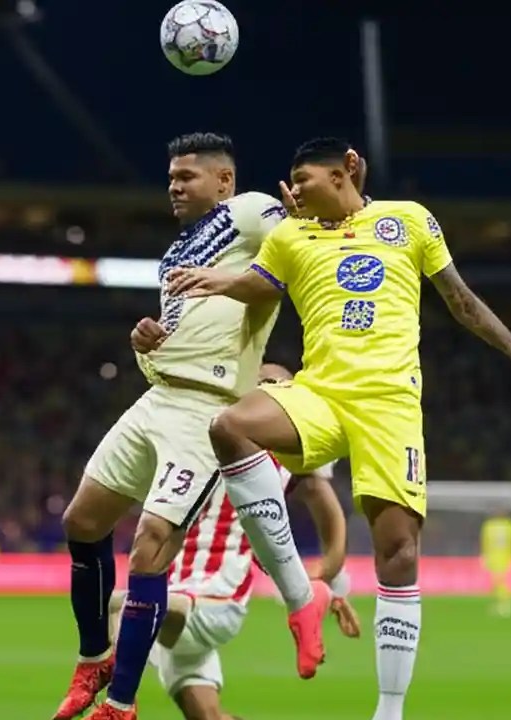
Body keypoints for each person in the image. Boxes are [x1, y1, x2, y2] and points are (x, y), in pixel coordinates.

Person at [165, 136, 511, 720]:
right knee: (231, 426)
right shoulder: (290, 236)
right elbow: (257, 284)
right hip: (319, 393)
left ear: (345, 171)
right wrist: (215, 279)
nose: (295, 190)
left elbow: (459, 300)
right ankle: (299, 594)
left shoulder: (409, 221)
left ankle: (389, 709)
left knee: (398, 552)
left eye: (304, 179)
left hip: (389, 405)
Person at [54, 133, 366, 720]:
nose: (174, 187)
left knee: (149, 546)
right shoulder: (178, 251)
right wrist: (148, 342)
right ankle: (94, 657)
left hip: (207, 409)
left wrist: (309, 220)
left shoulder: (250, 211)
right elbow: (184, 332)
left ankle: (120, 704)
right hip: (159, 395)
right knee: (82, 521)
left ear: (223, 181)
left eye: (186, 177)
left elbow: (301, 246)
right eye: (171, 177)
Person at [104, 363, 362, 720]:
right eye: (261, 384)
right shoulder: (212, 435)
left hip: (211, 602)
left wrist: (325, 575)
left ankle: (119, 688)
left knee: (120, 605)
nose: (267, 392)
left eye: (276, 386)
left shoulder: (278, 453)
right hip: (183, 594)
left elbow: (323, 500)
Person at [480, 512, 511, 618]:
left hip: (498, 557)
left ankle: (505, 606)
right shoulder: (510, 525)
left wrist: (484, 556)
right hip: (501, 557)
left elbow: (485, 541)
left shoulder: (489, 526)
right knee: (497, 582)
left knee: (501, 582)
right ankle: (501, 605)